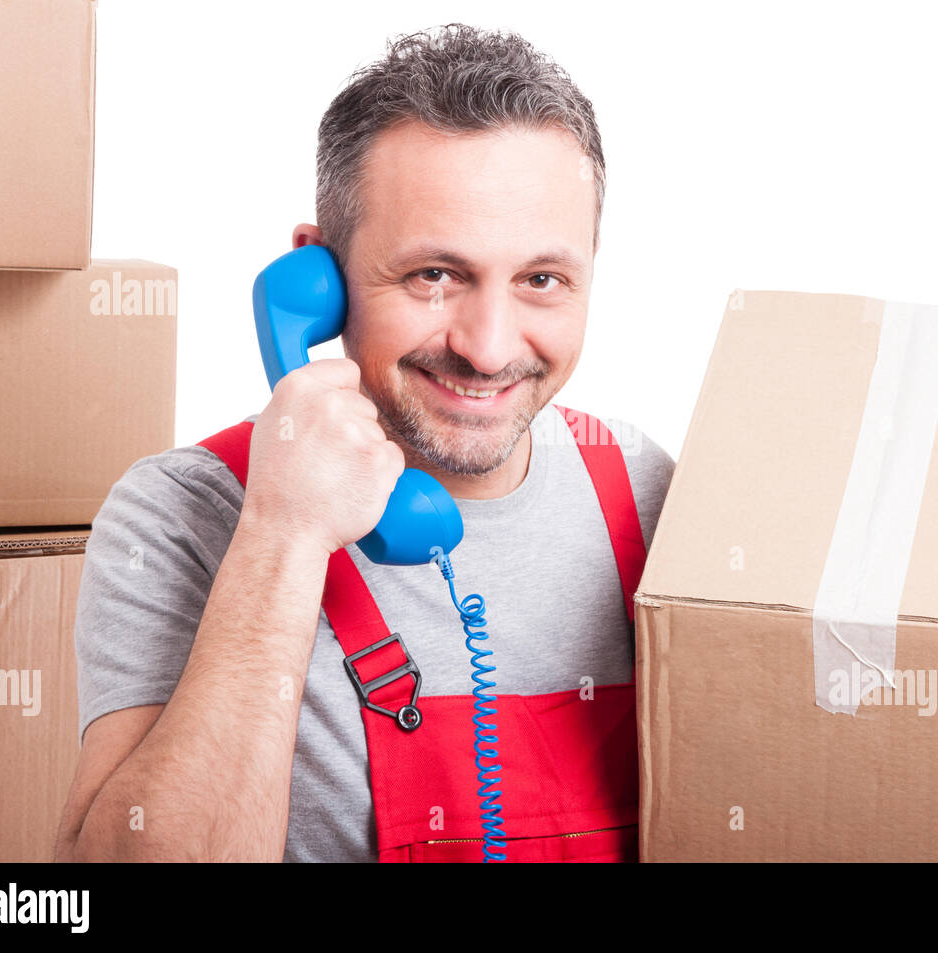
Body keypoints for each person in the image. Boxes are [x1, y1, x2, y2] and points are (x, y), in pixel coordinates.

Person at [54, 22, 675, 862]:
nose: (488, 348)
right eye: (435, 275)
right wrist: (285, 533)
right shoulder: (180, 515)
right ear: (319, 280)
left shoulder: (651, 499)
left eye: (541, 280)